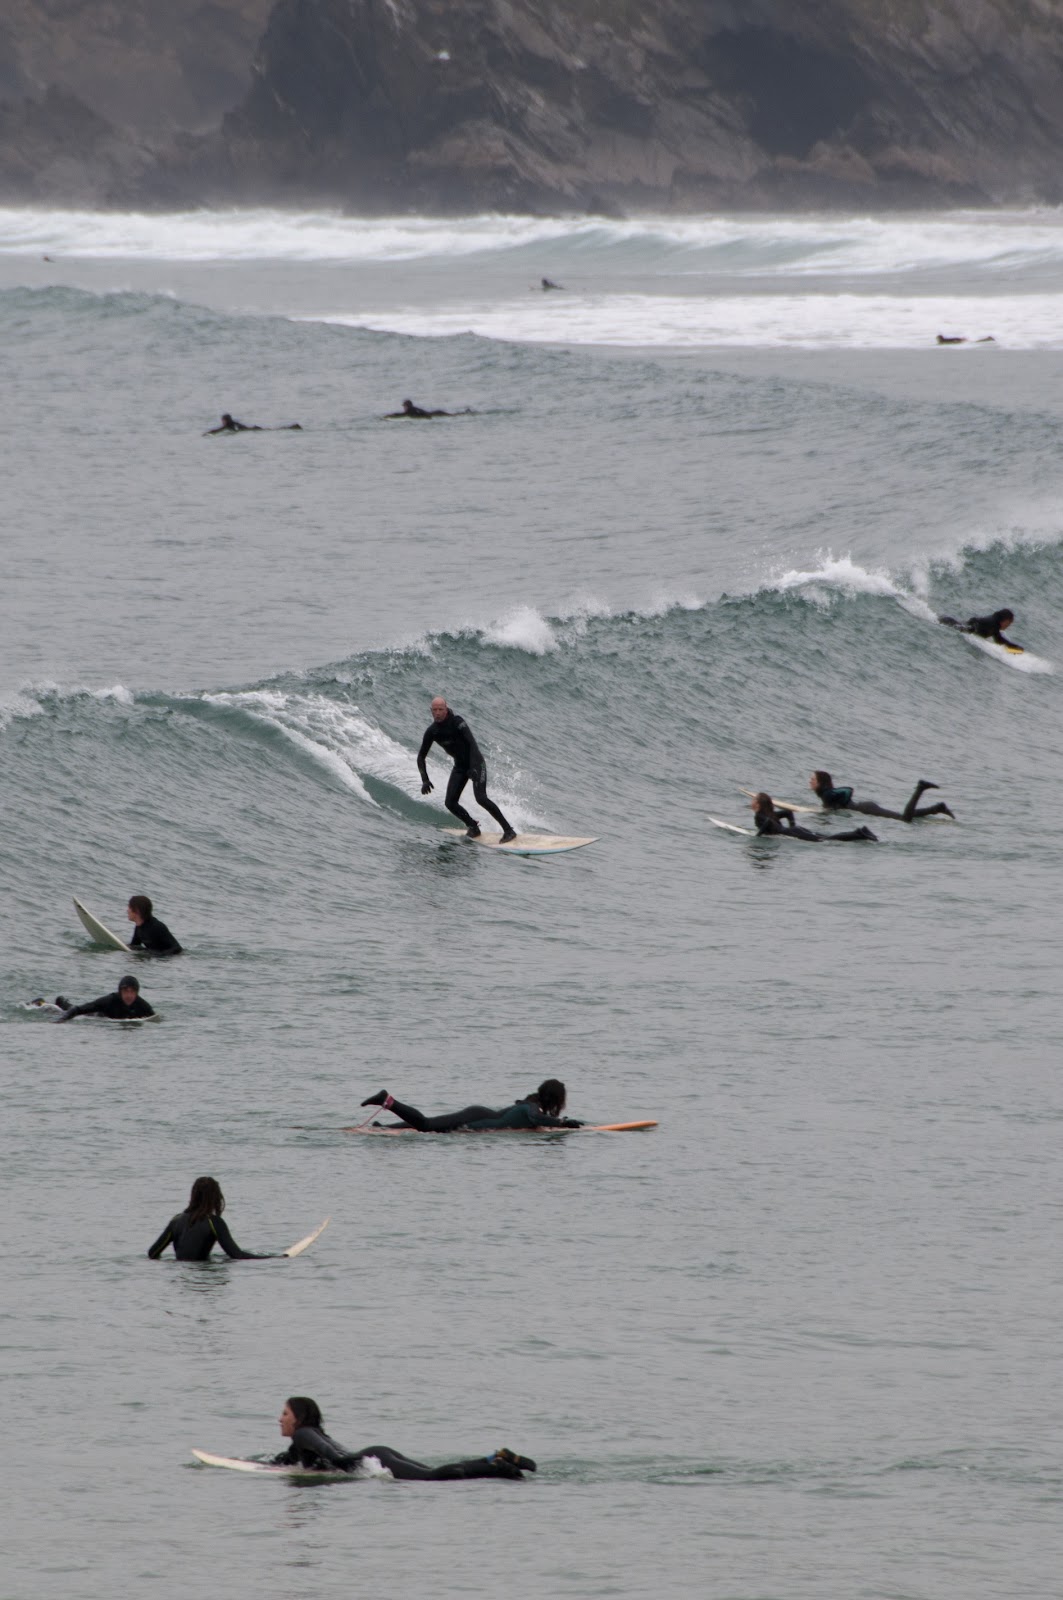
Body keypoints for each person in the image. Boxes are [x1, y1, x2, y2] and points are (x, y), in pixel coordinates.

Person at [272, 1396, 535, 1479]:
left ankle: (497, 1469)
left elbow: (332, 1455)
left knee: (432, 1479)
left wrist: (357, 1470)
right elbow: (289, 1459)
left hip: (373, 1460)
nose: (280, 1419)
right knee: (433, 1472)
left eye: (285, 1413)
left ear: (298, 1418)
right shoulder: (307, 1437)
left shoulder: (305, 1434)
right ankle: (494, 1458)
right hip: (377, 1454)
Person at [417, 695, 516, 842]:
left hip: (476, 762)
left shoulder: (458, 722)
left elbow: (472, 744)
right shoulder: (432, 731)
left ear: (446, 709)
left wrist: (474, 768)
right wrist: (425, 779)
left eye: (440, 709)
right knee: (450, 803)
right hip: (460, 766)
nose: (437, 712)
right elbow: (421, 757)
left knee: (481, 798)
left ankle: (508, 831)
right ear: (431, 711)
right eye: (435, 710)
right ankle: (473, 827)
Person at [359, 1078, 582, 1131]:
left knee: (433, 1125)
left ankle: (384, 1129)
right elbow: (534, 1118)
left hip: (477, 1116)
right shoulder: (532, 1108)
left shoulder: (534, 1105)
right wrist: (561, 1123)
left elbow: (537, 1120)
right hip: (476, 1118)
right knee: (427, 1125)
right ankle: (387, 1101)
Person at [148, 1176, 273, 1260]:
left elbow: (152, 1253)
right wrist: (273, 1258)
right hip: (202, 1272)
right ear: (215, 1197)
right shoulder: (214, 1222)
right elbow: (236, 1255)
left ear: (193, 1196)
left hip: (181, 1274)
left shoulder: (176, 1220)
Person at [809, 771, 954, 821]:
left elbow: (848, 790)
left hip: (866, 809)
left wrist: (834, 797)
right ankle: (936, 808)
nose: (810, 782)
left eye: (813, 779)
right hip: (865, 808)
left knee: (904, 819)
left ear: (821, 783)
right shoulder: (825, 795)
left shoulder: (827, 794)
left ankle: (920, 788)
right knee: (901, 815)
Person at [750, 794, 876, 842]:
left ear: (758, 804)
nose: (751, 801)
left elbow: (766, 823)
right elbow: (788, 812)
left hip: (793, 833)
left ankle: (860, 833)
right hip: (796, 830)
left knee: (826, 840)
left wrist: (757, 836)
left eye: (753, 799)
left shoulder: (759, 816)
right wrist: (792, 827)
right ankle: (860, 833)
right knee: (827, 838)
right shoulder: (770, 814)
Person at [55, 974, 155, 1021]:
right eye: (125, 991)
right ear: (120, 991)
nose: (129, 995)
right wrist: (61, 1020)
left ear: (137, 992)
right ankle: (61, 1003)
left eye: (132, 992)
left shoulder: (143, 1005)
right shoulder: (109, 1000)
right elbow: (78, 1009)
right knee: (71, 1009)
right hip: (95, 1016)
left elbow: (155, 1019)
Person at [938, 608, 1023, 650]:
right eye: (1009, 623)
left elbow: (999, 640)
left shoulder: (994, 624)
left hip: (960, 624)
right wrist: (1015, 648)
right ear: (1005, 621)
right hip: (956, 624)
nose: (1008, 626)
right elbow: (999, 640)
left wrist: (1013, 647)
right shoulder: (994, 624)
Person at [204, 414, 302, 434]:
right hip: (252, 428)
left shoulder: (228, 425)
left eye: (223, 420)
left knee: (273, 430)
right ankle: (292, 427)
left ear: (225, 420)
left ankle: (292, 427)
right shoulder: (232, 423)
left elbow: (218, 430)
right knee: (272, 430)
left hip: (250, 430)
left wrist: (208, 433)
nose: (222, 422)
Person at [385, 399, 452, 418]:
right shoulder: (412, 409)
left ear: (407, 406)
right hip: (434, 413)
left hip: (435, 414)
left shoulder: (411, 410)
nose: (403, 408)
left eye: (404, 406)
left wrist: (391, 415)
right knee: (452, 415)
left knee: (452, 416)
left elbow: (401, 414)